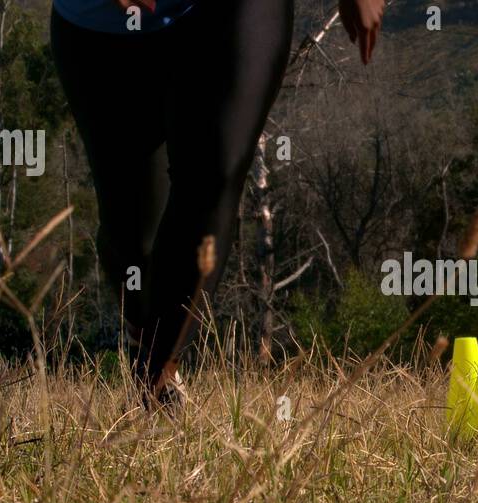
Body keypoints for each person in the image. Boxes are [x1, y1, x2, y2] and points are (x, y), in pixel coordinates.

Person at [50, 0, 385, 406]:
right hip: (104, 28)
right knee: (133, 237)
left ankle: (157, 381)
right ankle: (145, 335)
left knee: (214, 171)